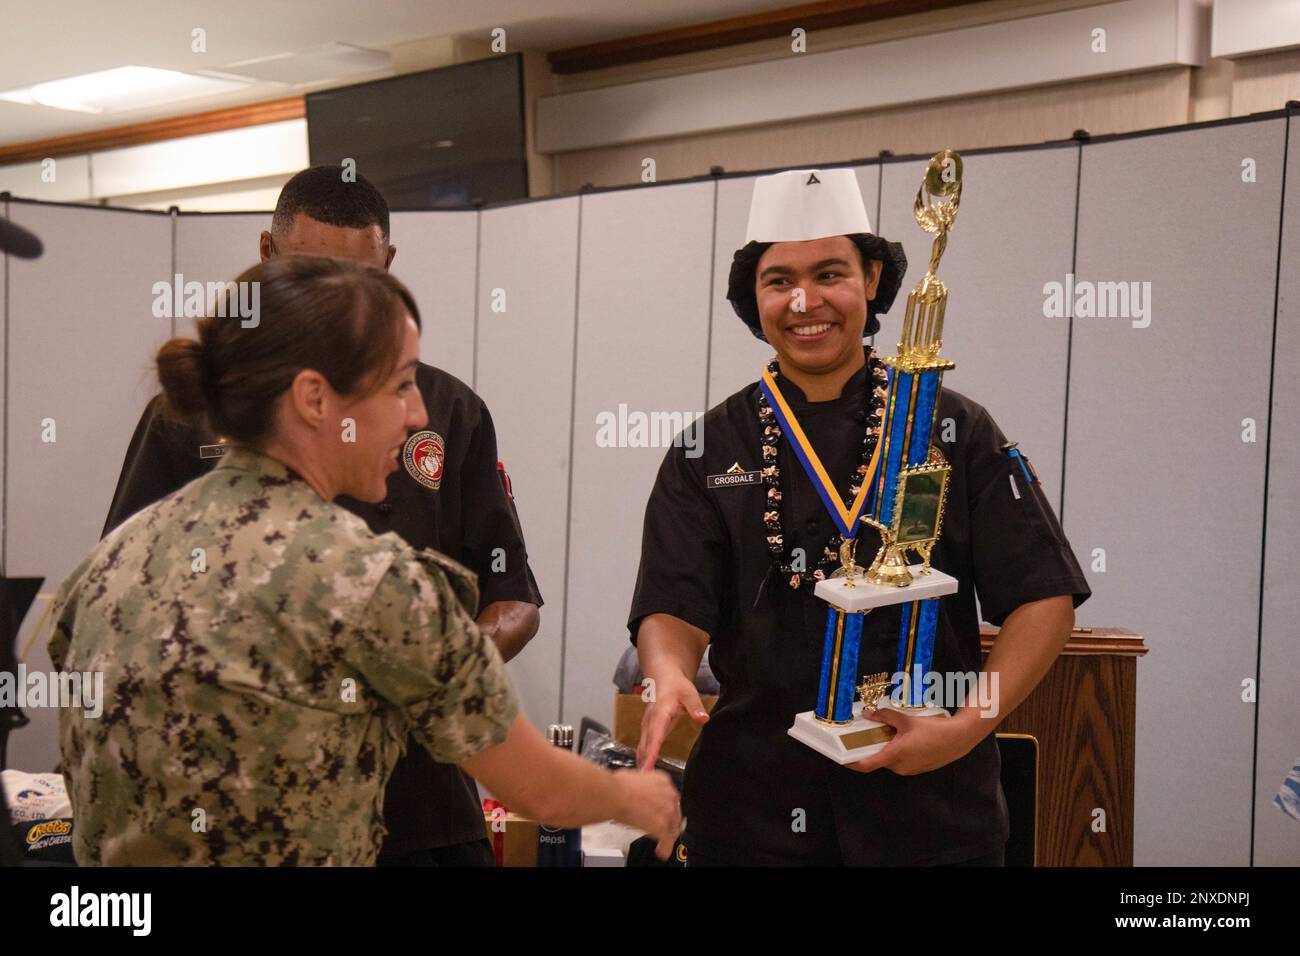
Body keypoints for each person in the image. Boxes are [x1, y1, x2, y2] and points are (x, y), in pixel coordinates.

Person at [49, 256, 680, 866]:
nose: (418, 414)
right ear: (315, 400)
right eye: (399, 384)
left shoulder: (104, 569)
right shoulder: (367, 580)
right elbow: (538, 790)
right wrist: (632, 795)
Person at [629, 168, 1091, 866]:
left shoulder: (952, 428)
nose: (804, 301)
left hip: (933, 818)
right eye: (778, 279)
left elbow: (1043, 599)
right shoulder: (706, 448)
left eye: (829, 273)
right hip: (751, 816)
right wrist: (667, 673)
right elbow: (674, 604)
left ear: (873, 278)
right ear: (753, 297)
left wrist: (968, 726)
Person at [103, 166, 542, 865]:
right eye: (311, 277)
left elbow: (511, 596)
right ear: (268, 257)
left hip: (422, 815)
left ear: (390, 270)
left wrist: (433, 675)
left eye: (360, 285)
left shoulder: (443, 413)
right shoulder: (195, 414)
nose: (333, 310)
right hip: (255, 819)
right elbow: (125, 603)